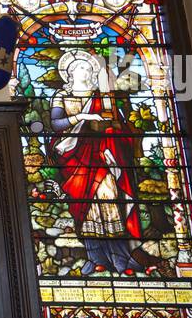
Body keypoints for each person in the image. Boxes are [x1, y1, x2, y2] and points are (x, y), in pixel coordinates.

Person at [48, 50, 158, 276]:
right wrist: (84, 118)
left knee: (109, 198)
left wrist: (113, 128)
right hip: (74, 154)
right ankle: (95, 258)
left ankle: (121, 259)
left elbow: (117, 124)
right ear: (69, 72)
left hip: (103, 156)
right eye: (81, 68)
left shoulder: (102, 96)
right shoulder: (60, 95)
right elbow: (57, 125)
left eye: (89, 68)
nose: (86, 71)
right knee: (85, 207)